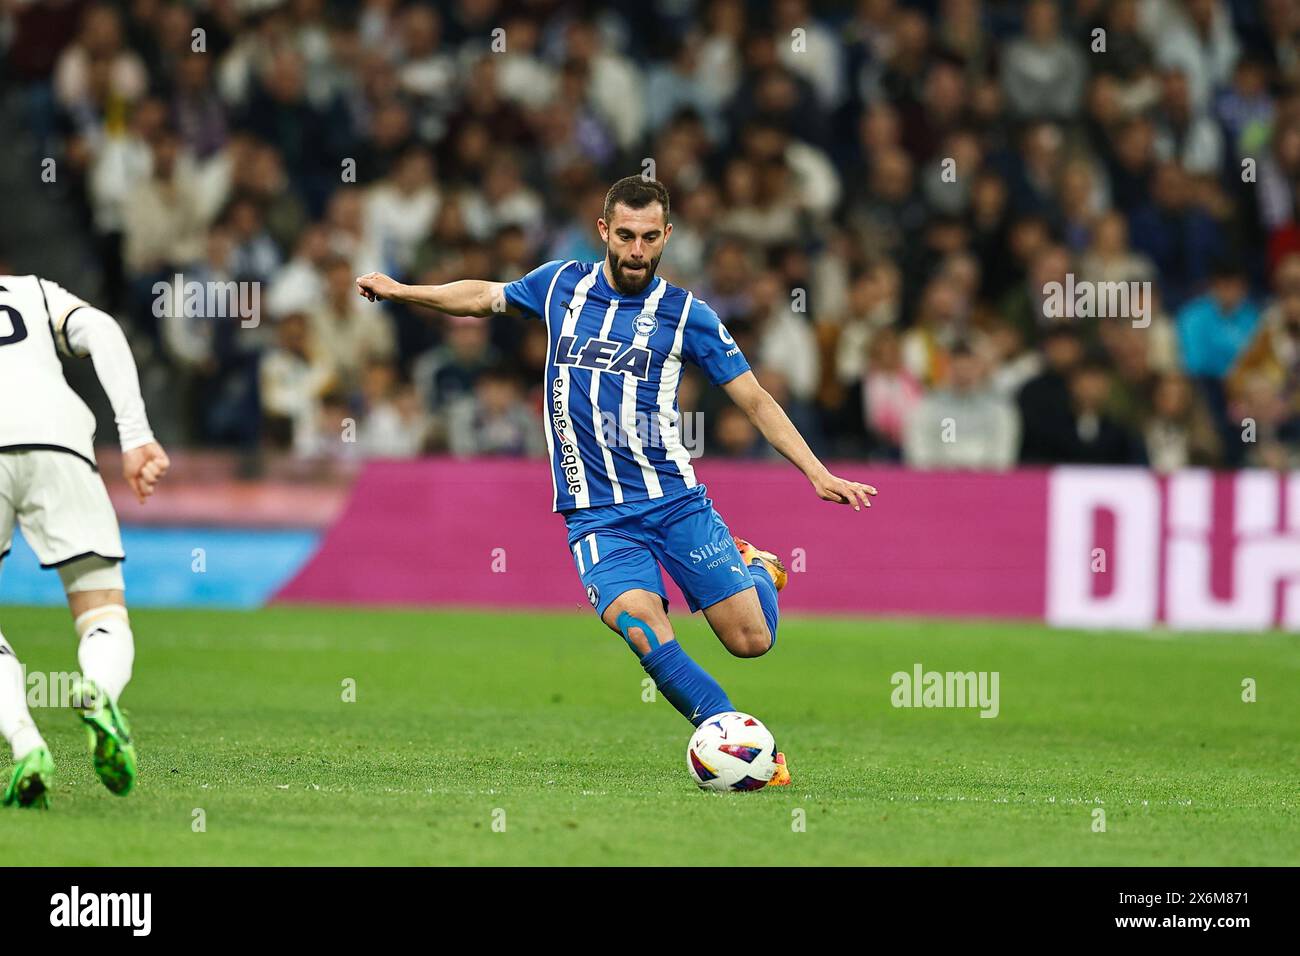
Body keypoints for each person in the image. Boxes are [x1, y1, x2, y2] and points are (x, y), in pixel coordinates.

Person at [356, 176, 876, 788]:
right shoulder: (558, 286)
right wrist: (402, 290)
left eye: (649, 238)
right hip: (597, 515)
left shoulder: (688, 315)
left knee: (751, 641)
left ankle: (756, 566)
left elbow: (756, 400)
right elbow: (483, 296)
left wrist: (815, 471)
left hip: (675, 503)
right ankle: (735, 740)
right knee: (637, 622)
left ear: (667, 237)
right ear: (604, 230)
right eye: (625, 236)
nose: (636, 250)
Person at [0, 275, 169, 808]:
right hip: (61, 441)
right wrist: (136, 435)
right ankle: (98, 690)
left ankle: (26, 744)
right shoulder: (31, 289)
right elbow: (100, 327)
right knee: (102, 609)